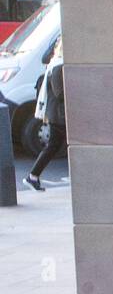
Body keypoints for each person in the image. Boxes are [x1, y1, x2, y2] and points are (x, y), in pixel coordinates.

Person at [24, 36, 64, 192]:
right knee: (58, 145)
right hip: (59, 116)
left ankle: (32, 177)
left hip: (57, 115)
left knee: (53, 146)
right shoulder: (58, 66)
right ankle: (32, 176)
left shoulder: (55, 64)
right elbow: (59, 93)